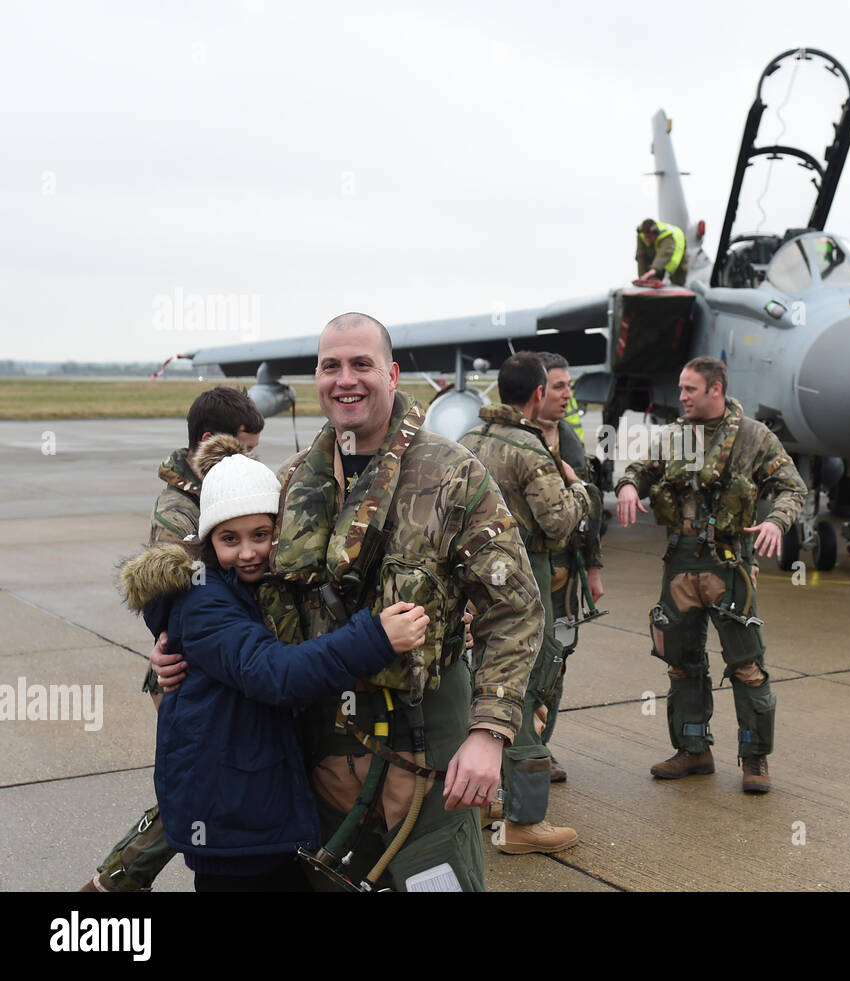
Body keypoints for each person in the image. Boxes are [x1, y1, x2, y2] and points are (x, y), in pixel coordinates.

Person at [156, 312, 542, 891]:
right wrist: (168, 653)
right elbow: (233, 590)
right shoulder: (288, 486)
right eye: (330, 366)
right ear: (316, 377)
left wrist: (489, 733)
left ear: (390, 373)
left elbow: (514, 608)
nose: (346, 380)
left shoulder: (453, 474)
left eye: (361, 364)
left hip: (427, 750)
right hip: (321, 752)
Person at [121, 436, 423, 891]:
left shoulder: (247, 589)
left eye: (260, 535)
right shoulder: (203, 601)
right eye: (229, 539)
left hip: (248, 810)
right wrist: (376, 637)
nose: (248, 553)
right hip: (233, 824)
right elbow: (273, 673)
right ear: (207, 542)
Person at [82, 385, 264, 893]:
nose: (249, 461)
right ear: (210, 441)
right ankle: (114, 882)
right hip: (188, 668)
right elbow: (168, 593)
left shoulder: (216, 490)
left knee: (208, 780)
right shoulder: (178, 507)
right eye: (244, 449)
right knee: (200, 786)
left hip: (212, 658)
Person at [615, 356, 806, 793]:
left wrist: (776, 521)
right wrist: (628, 485)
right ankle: (693, 748)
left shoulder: (754, 438)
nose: (681, 397)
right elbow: (640, 471)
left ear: (715, 390)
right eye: (681, 389)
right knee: (681, 664)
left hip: (729, 564)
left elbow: (792, 487)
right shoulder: (674, 436)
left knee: (746, 666)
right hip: (680, 563)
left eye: (689, 390)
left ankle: (754, 757)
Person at [460, 352, 589, 853]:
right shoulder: (530, 450)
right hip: (524, 575)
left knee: (481, 681)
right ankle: (525, 821)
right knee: (527, 686)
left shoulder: (470, 442)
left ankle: (491, 794)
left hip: (474, 577)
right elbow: (557, 522)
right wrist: (583, 491)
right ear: (537, 394)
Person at [531, 352, 605, 782]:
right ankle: (513, 747)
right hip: (524, 573)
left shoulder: (569, 442)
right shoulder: (514, 442)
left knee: (556, 660)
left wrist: (593, 571)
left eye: (569, 387)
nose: (567, 396)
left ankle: (541, 746)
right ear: (537, 391)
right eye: (559, 387)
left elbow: (590, 509)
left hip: (564, 575)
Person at [636, 218, 687, 286]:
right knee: (652, 275)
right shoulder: (642, 234)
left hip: (676, 258)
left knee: (678, 280)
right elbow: (641, 257)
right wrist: (643, 279)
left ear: (655, 233)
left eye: (650, 237)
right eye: (646, 237)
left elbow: (664, 254)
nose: (647, 239)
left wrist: (654, 270)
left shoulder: (667, 236)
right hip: (659, 257)